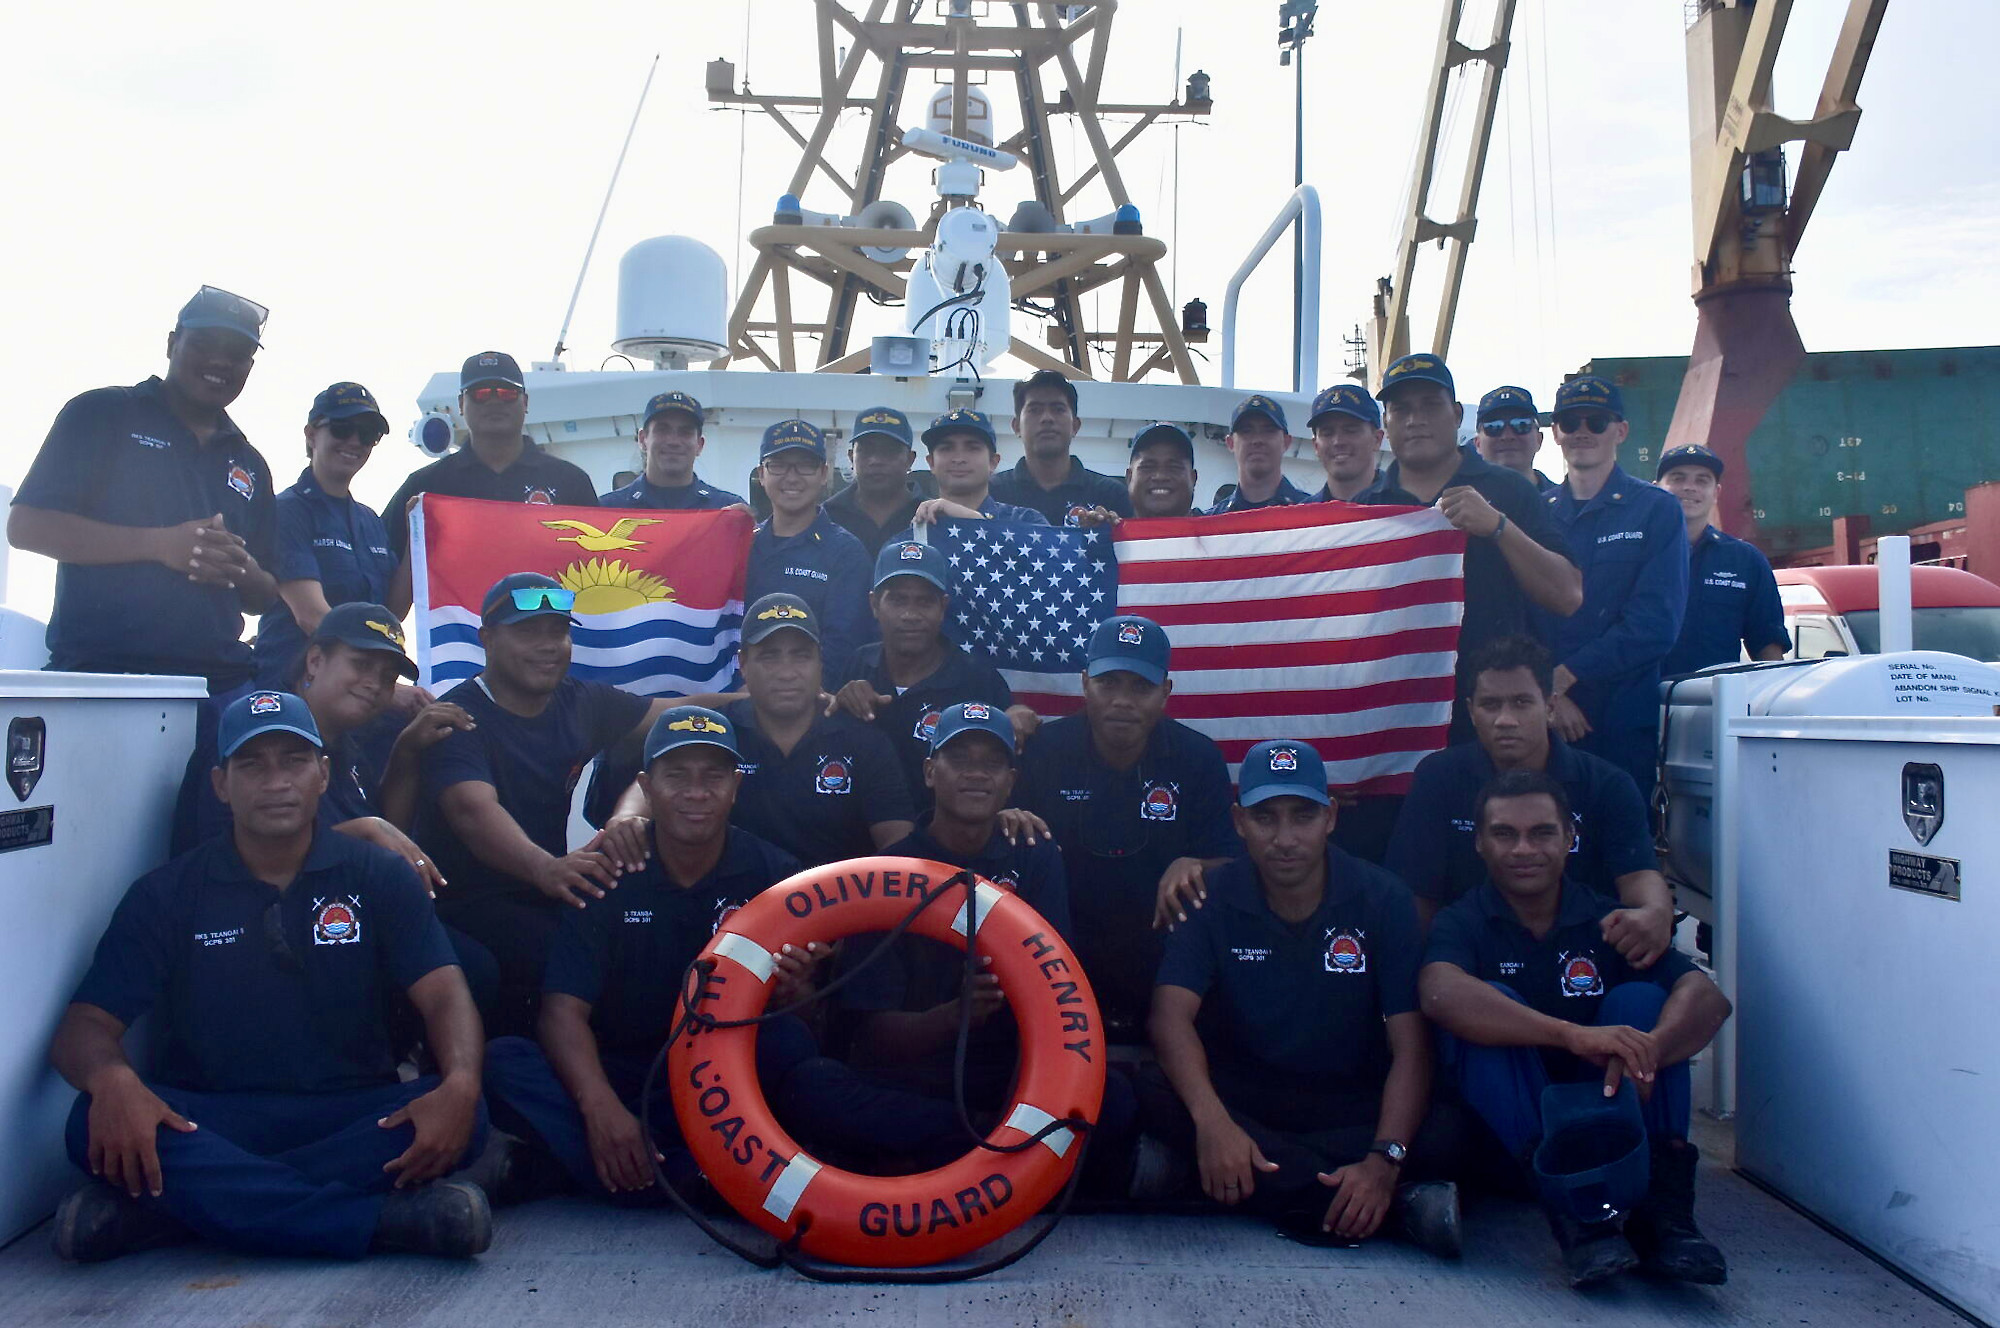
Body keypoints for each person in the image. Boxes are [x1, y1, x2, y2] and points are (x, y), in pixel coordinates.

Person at [48, 691, 490, 1262]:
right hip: (212, 1118)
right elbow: (83, 1028)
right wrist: (113, 1081)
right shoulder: (168, 893)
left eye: (294, 760)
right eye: (251, 764)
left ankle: (169, 1212)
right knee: (89, 1121)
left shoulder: (379, 875)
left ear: (323, 774)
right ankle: (382, 1221)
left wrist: (458, 1082)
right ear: (220, 785)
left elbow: (445, 994)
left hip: (353, 1112)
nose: (275, 780)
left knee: (466, 1109)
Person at [483, 706, 816, 1202]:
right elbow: (562, 1015)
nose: (696, 792)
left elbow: (807, 1007)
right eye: (676, 775)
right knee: (503, 1063)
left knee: (789, 1045)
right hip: (619, 1071)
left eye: (713, 776)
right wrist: (600, 1109)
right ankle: (690, 1176)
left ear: (736, 786)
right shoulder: (608, 873)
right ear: (647, 783)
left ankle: (577, 1168)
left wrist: (798, 986)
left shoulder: (775, 875)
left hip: (719, 1075)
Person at [1142, 740, 1460, 1254]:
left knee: (1446, 1129)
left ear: (1331, 817)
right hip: (1248, 1095)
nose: (1285, 838)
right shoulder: (1210, 892)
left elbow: (1411, 1045)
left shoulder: (1383, 898)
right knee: (1156, 1092)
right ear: (1239, 821)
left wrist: (1383, 1162)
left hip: (1348, 1099)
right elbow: (1169, 1018)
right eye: (1265, 818)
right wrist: (1214, 1123)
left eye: (1302, 816)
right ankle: (1379, 1205)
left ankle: (1254, 1183)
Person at [1419, 770, 1732, 1286]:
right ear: (1479, 842)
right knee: (1488, 1009)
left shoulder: (1606, 920)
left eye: (1542, 833)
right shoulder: (1464, 921)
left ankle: (1664, 1219)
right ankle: (1579, 1223)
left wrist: (1650, 1048)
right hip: (1513, 1152)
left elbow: (1706, 998)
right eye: (1504, 834)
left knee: (1643, 1002)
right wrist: (1569, 1034)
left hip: (1616, 1133)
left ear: (1570, 838)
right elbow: (1438, 991)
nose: (1524, 849)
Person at [413, 573, 680, 1037]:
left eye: (557, 631)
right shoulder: (458, 717)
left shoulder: (580, 700)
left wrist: (771, 702)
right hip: (467, 903)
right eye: (527, 632)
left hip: (548, 890)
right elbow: (473, 813)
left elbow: (678, 715)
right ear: (487, 639)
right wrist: (545, 868)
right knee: (567, 962)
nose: (547, 645)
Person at [11, 285, 278, 691]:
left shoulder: (252, 464)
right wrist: (162, 545)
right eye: (205, 342)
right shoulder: (101, 413)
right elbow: (27, 527)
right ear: (172, 343)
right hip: (101, 680)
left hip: (220, 687)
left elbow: (264, 597)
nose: (220, 360)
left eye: (238, 353)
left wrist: (235, 564)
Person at [1014, 616, 1239, 1044]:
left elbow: (1232, 861)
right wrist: (1006, 819)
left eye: (1140, 687)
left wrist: (1198, 865)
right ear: (1084, 684)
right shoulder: (1043, 750)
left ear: (1165, 693)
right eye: (1109, 683)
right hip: (1059, 949)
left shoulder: (1198, 757)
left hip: (1162, 954)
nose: (1122, 700)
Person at [1385, 637, 1673, 967]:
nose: (1505, 720)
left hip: (1584, 960)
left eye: (1521, 702)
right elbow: (1416, 895)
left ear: (1550, 707)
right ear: (1470, 711)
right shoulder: (1438, 778)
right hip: (1472, 962)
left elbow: (1638, 876)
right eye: (1490, 705)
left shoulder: (1607, 785)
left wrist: (1656, 913)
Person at [1355, 354, 1581, 737]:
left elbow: (1567, 595)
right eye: (1402, 409)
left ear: (1457, 414)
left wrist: (1498, 527)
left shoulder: (1510, 491)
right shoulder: (1363, 511)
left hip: (1493, 720)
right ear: (1386, 423)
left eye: (1430, 405)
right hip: (1391, 719)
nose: (1415, 419)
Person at [1538, 376, 1690, 801]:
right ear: (1556, 433)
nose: (1582, 431)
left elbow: (1656, 624)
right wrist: (1549, 695)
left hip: (1619, 724)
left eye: (1597, 421)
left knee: (1618, 853)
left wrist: (1566, 675)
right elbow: (1523, 617)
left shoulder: (1656, 510)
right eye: (1570, 421)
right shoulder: (1537, 513)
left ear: (1620, 431)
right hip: (1544, 723)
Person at [827, 540, 1016, 803]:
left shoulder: (977, 678)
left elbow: (1004, 769)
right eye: (897, 600)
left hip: (948, 837)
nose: (910, 615)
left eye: (925, 601)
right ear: (873, 605)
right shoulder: (858, 665)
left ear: (943, 607)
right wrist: (842, 701)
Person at [252, 383, 404, 689]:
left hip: (357, 696)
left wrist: (420, 536)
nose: (354, 441)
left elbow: (386, 616)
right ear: (310, 434)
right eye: (342, 428)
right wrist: (381, 686)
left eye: (367, 434)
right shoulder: (286, 511)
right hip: (292, 692)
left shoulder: (370, 520)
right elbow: (312, 617)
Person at [383, 352, 598, 564]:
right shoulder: (424, 487)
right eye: (481, 393)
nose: (494, 402)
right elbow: (381, 567)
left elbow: (600, 564)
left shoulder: (571, 482)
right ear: (461, 404)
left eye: (506, 393)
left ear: (525, 402)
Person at [743, 418, 873, 684]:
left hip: (812, 707)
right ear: (761, 474)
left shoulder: (846, 553)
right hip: (739, 704)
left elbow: (842, 647)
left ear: (823, 474)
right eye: (778, 465)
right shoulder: (740, 546)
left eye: (805, 465)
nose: (792, 477)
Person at [1655, 444, 1789, 675]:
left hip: (1713, 703)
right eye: (1678, 478)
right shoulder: (1629, 556)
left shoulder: (1745, 561)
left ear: (1716, 493)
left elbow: (1768, 646)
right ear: (1656, 489)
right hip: (1639, 703)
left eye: (1702, 480)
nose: (1689, 487)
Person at [990, 369, 1133, 526]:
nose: (1047, 418)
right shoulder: (991, 493)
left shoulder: (1112, 495)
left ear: (1075, 426)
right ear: (1016, 426)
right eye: (1035, 410)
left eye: (1058, 409)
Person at [903, 408, 1051, 531]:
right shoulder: (916, 527)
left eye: (972, 448)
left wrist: (971, 520)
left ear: (993, 462)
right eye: (946, 448)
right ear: (931, 462)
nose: (959, 458)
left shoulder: (1028, 521)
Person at [599, 391, 748, 511]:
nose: (673, 441)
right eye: (662, 430)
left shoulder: (726, 509)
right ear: (643, 439)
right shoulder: (607, 510)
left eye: (685, 432)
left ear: (699, 444)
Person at [824, 406, 928, 554]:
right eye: (866, 450)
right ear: (851, 457)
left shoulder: (931, 517)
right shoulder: (827, 517)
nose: (876, 460)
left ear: (910, 459)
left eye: (889, 450)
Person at [1208, 395, 1314, 514]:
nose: (1257, 440)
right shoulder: (1210, 523)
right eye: (1246, 431)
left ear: (1286, 442)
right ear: (1230, 443)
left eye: (1268, 430)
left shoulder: (1313, 515)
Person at [1305, 384, 1383, 502]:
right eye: (1328, 433)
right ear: (1316, 446)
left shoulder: (1410, 510)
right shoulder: (1304, 516)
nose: (1338, 442)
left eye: (1350, 431)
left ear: (1377, 439)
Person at [1473, 387, 1555, 491]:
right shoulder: (1457, 504)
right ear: (1477, 444)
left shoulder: (1565, 504)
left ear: (1539, 439)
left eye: (1521, 424)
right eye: (1493, 427)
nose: (1507, 437)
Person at [1124, 421, 1200, 519]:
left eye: (1174, 467)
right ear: (1129, 477)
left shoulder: (1221, 532)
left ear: (1193, 478)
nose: (1160, 476)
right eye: (1148, 467)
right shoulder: (1106, 532)